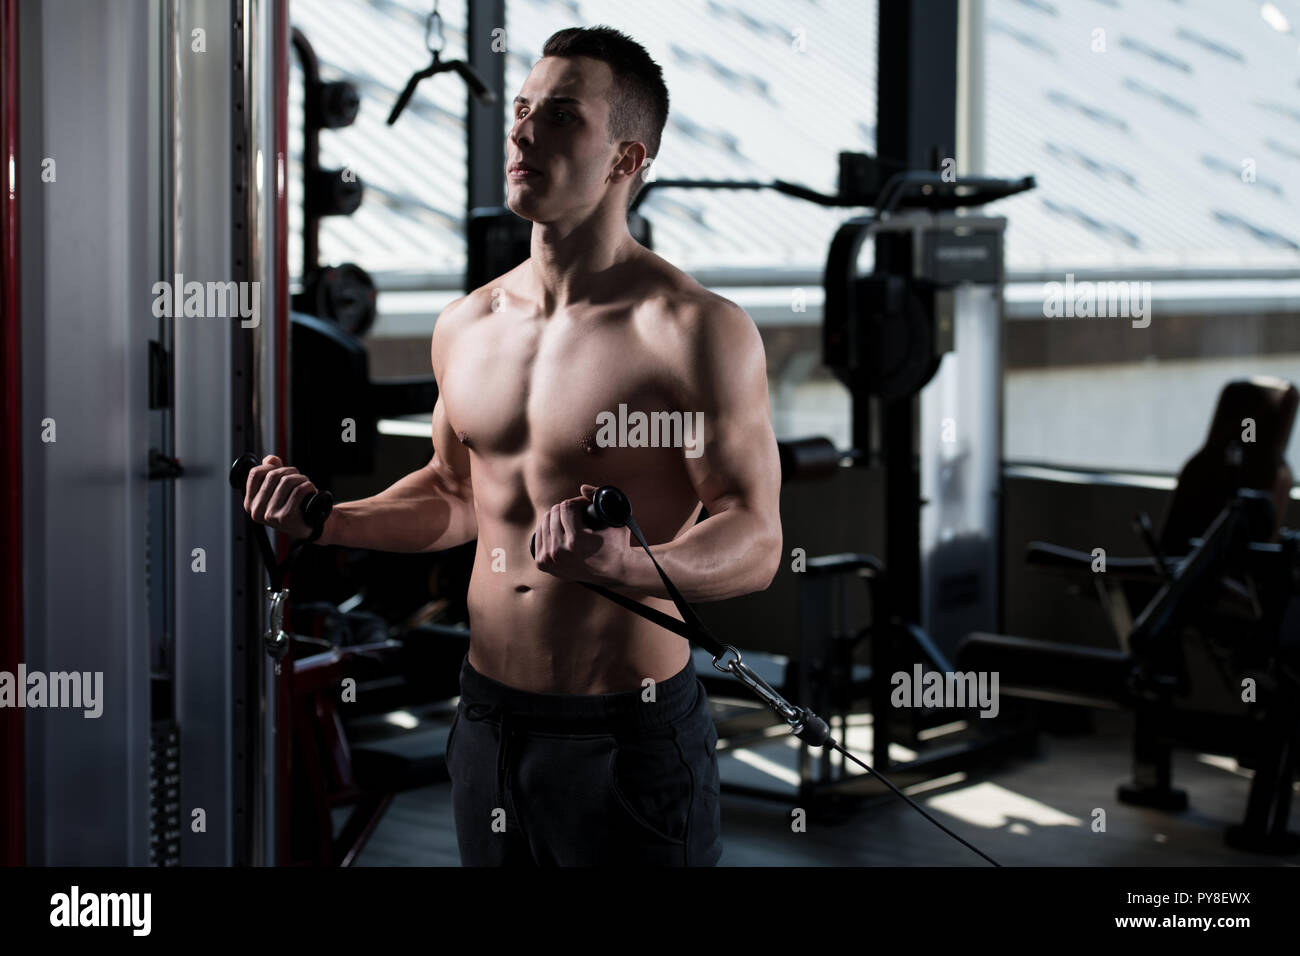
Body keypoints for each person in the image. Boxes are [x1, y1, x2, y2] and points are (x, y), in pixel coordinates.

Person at [243, 24, 782, 866]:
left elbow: (755, 537)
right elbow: (454, 495)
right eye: (522, 110)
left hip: (627, 733)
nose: (524, 133)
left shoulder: (694, 330)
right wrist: (325, 519)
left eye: (561, 116)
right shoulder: (466, 324)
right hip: (489, 718)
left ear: (625, 159)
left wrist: (628, 567)